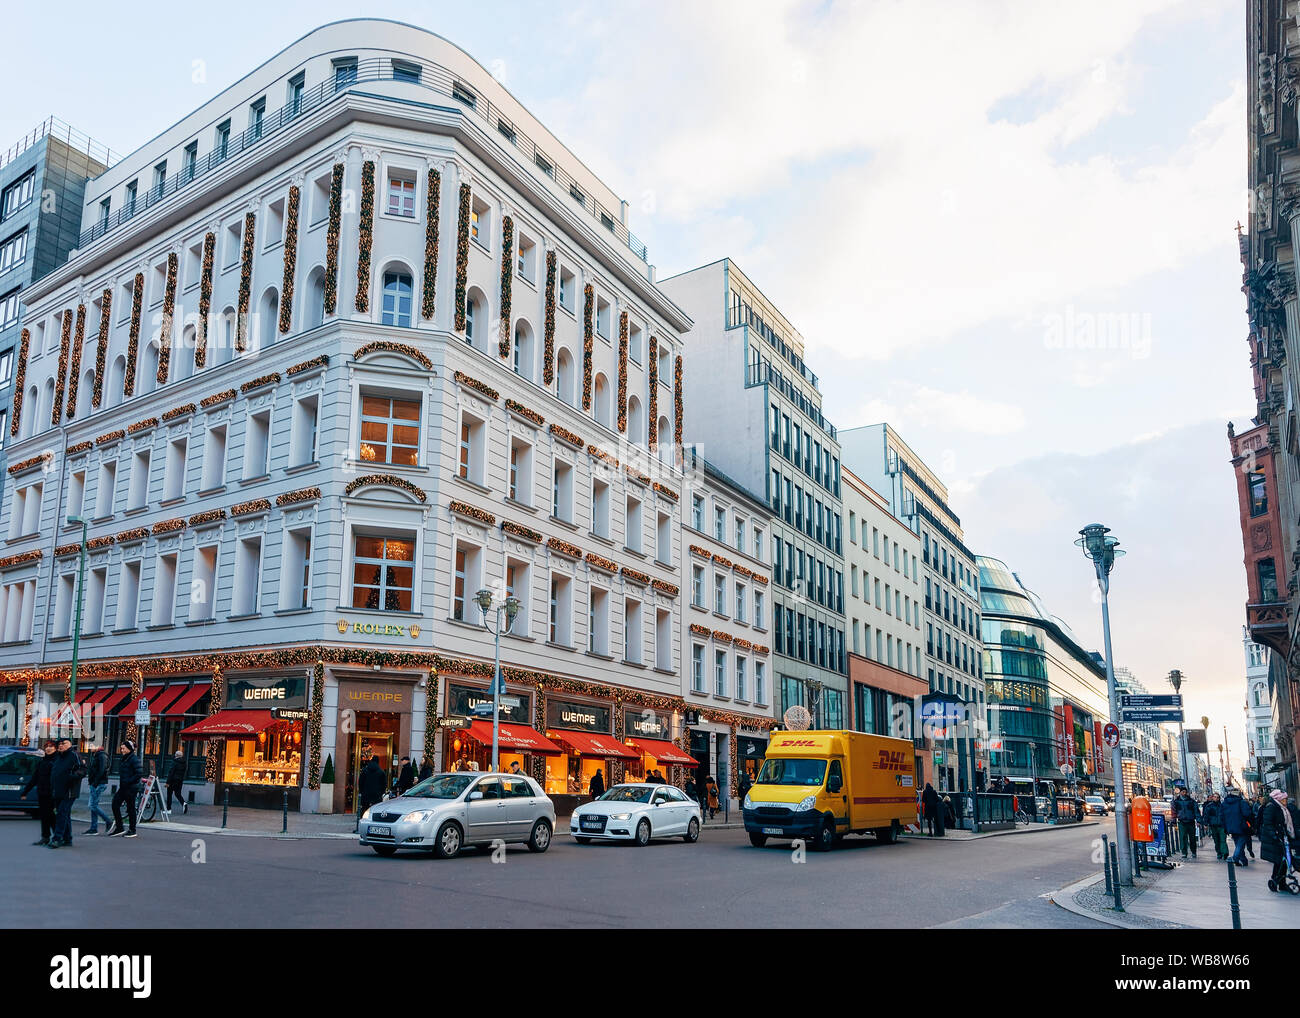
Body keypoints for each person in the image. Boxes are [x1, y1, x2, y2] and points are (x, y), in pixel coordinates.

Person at [1259, 788, 1300, 893]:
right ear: (1278, 799)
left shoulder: (1284, 808)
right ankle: (1276, 880)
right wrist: (1274, 835)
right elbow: (1268, 824)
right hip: (1276, 840)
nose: (1285, 801)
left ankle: (1280, 882)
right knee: (1280, 861)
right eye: (1284, 800)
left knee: (1283, 861)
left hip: (1284, 838)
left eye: (1286, 799)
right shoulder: (1272, 808)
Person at [19, 740, 57, 845]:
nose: (48, 748)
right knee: (44, 815)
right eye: (47, 746)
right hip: (42, 793)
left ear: (55, 748)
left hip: (52, 793)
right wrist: (25, 792)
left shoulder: (57, 761)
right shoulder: (42, 762)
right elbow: (34, 778)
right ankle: (45, 837)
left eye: (51, 746)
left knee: (51, 816)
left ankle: (57, 836)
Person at [107, 741, 142, 838]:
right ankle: (119, 827)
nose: (121, 750)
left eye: (123, 748)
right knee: (115, 804)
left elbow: (139, 773)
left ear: (129, 749)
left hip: (131, 788)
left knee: (130, 808)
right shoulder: (125, 758)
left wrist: (128, 781)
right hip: (123, 787)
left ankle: (132, 830)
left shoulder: (134, 759)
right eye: (121, 748)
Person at [84, 741, 112, 835]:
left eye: (92, 745)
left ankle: (108, 821)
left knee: (92, 805)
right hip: (95, 783)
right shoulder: (96, 755)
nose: (90, 747)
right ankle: (93, 828)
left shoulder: (101, 756)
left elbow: (102, 770)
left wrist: (95, 783)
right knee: (93, 805)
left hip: (98, 784)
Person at [1221, 786, 1253, 868]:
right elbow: (1247, 814)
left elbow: (1222, 816)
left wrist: (1225, 826)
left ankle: (1243, 860)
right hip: (1241, 825)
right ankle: (1235, 858)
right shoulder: (1241, 802)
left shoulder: (1225, 803)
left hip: (1230, 827)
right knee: (1240, 844)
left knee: (1238, 843)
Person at [1172, 788, 1200, 859]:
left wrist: (1198, 821)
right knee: (1183, 838)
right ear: (1180, 792)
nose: (1184, 793)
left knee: (1192, 838)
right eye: (1183, 792)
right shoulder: (1176, 801)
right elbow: (1174, 812)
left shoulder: (1191, 801)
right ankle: (1184, 852)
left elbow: (1196, 811)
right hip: (1182, 821)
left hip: (1191, 821)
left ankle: (1194, 852)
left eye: (1185, 792)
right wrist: (1174, 821)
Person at [1202, 792, 1226, 860]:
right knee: (1216, 840)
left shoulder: (1222, 806)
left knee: (1222, 840)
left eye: (1217, 797)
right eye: (1215, 797)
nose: (1216, 798)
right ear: (1213, 798)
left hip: (1221, 825)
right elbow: (1206, 815)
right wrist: (1205, 824)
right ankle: (1219, 853)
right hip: (1213, 825)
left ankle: (1224, 853)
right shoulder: (1209, 806)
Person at [165, 750, 188, 814]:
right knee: (177, 794)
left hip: (172, 780)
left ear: (176, 755)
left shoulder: (174, 762)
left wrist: (167, 782)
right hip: (180, 780)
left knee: (169, 794)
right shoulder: (184, 763)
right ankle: (183, 803)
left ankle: (169, 809)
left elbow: (171, 772)